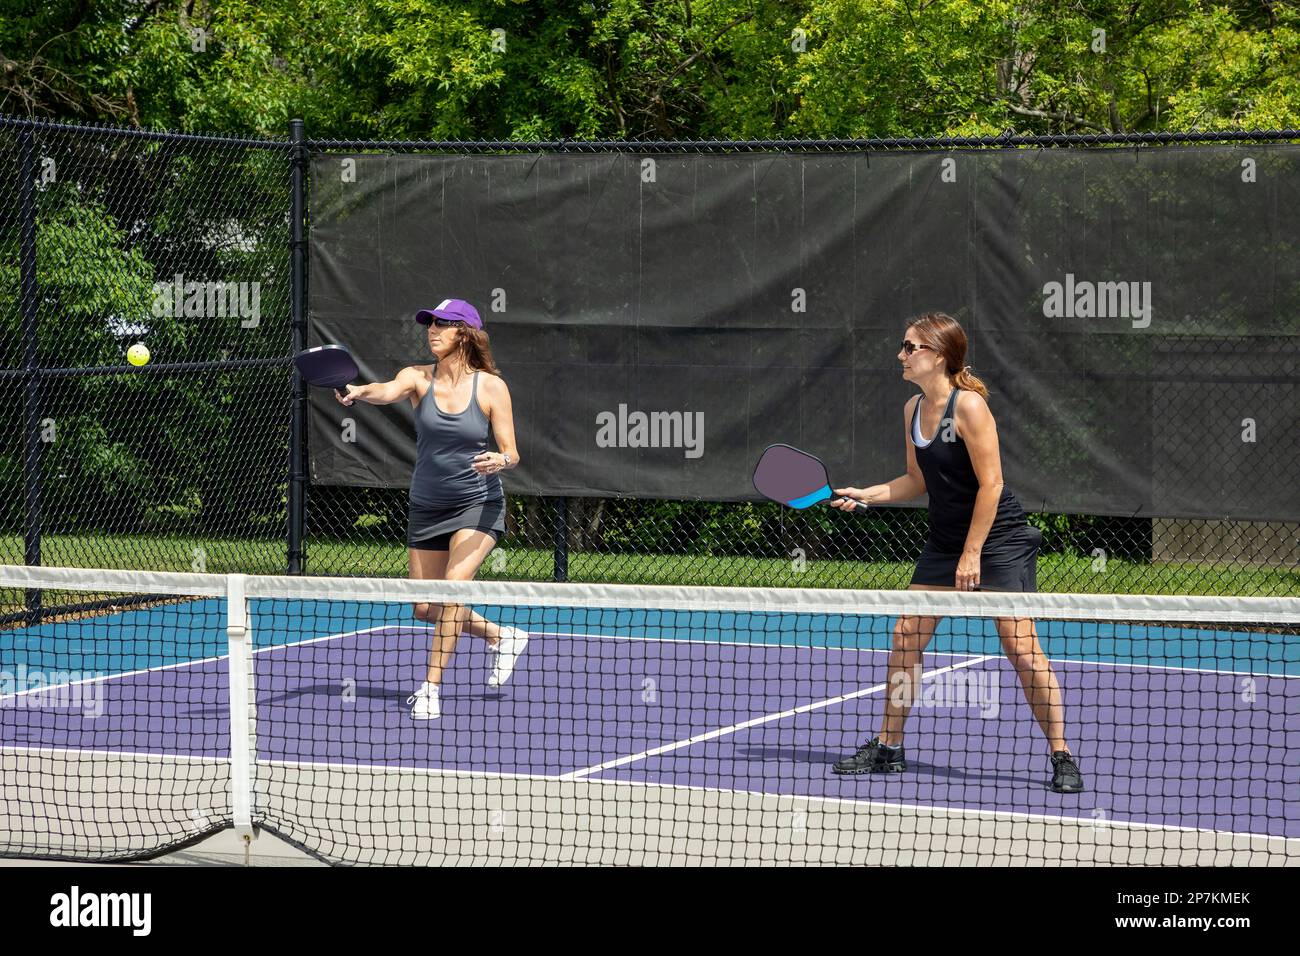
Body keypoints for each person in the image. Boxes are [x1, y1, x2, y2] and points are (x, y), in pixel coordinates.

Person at [830, 312, 1084, 793]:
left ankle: (1061, 754)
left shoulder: (969, 407)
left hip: (999, 539)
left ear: (939, 355)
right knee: (906, 634)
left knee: (1021, 648)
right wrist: (867, 494)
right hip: (946, 539)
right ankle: (889, 747)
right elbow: (916, 480)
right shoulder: (912, 409)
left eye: (911, 347)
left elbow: (992, 484)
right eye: (903, 346)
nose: (901, 355)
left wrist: (973, 554)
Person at [336, 298, 527, 721]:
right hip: (427, 507)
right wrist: (359, 392)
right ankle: (501, 637)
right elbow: (385, 389)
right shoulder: (417, 377)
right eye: (430, 324)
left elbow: (512, 451)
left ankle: (430, 688)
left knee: (453, 588)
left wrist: (500, 459)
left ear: (465, 333)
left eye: (442, 324)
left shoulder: (491, 387)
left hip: (477, 503)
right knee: (424, 607)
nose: (432, 330)